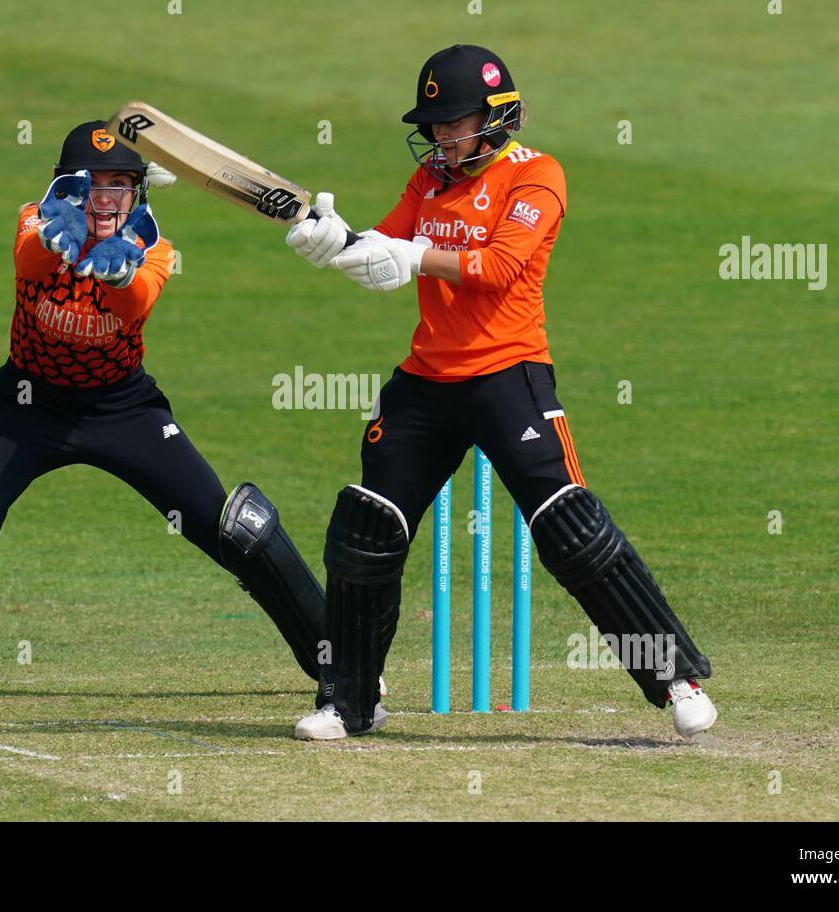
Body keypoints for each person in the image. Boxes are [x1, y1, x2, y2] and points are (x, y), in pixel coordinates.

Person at [285, 45, 716, 740]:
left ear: (495, 117)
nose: (439, 138)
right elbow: (382, 252)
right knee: (366, 530)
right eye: (433, 125)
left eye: (451, 123)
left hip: (509, 374)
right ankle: (349, 700)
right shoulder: (427, 180)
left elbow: (502, 265)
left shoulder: (537, 176)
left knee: (572, 532)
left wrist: (414, 255)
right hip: (426, 383)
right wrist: (332, 241)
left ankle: (675, 679)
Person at [0, 120, 327, 706]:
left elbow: (138, 298)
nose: (109, 199)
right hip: (27, 404)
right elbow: (29, 261)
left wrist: (119, 272)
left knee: (230, 527)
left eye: (123, 185)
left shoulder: (154, 251)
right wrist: (57, 241)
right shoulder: (33, 224)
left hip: (123, 408)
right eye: (96, 184)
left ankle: (337, 658)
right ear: (67, 185)